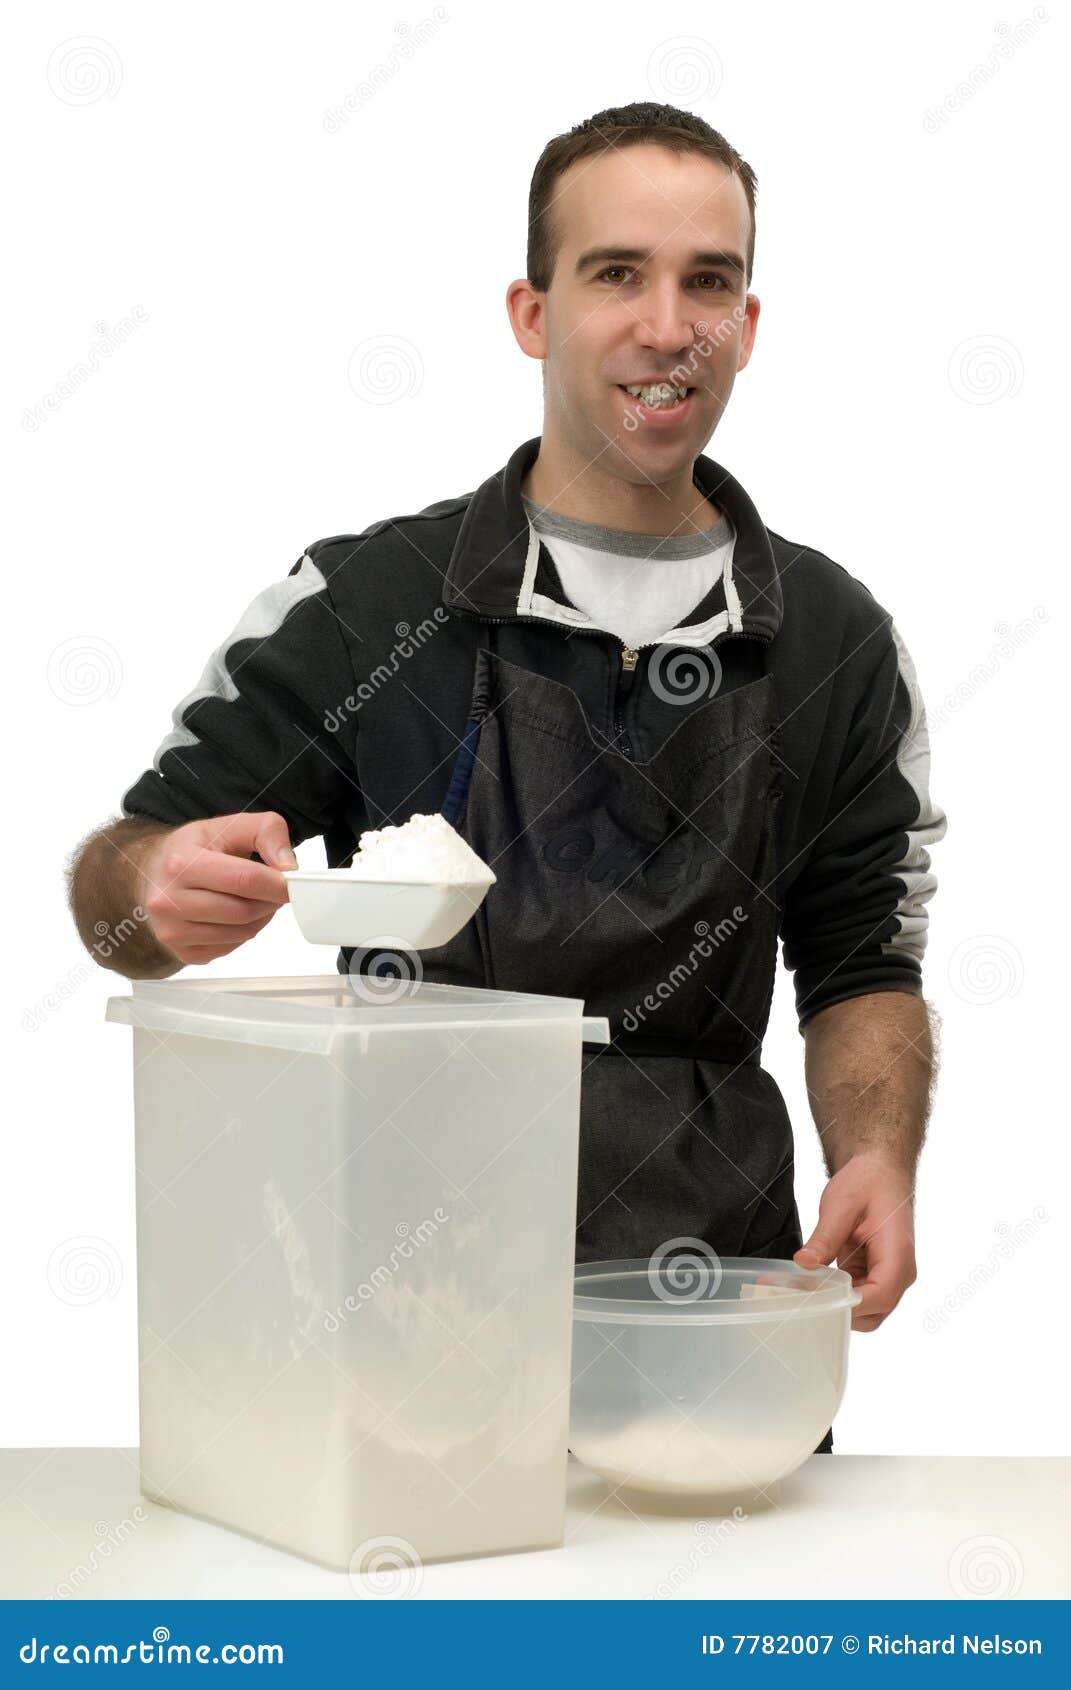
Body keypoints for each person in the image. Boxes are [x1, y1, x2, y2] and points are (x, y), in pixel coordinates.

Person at [68, 104, 946, 1455]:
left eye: (707, 281)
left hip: (703, 1342)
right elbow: (117, 895)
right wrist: (151, 892)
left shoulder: (833, 641)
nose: (669, 324)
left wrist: (878, 1152)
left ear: (749, 325)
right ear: (532, 314)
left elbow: (862, 961)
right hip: (393, 1353)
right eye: (616, 274)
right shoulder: (370, 605)